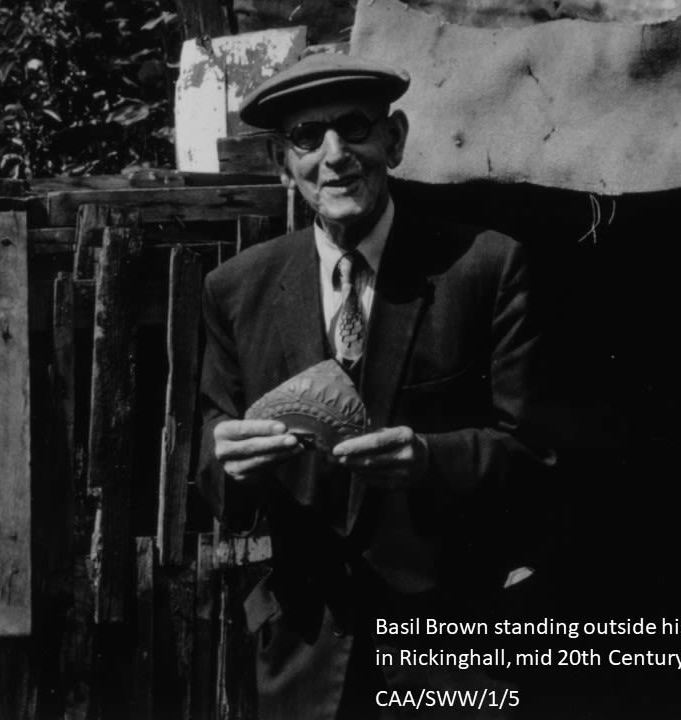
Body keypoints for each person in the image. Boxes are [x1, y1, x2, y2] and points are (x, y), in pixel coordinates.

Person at [197, 52, 552, 720]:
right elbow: (213, 481)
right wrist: (232, 462)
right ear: (283, 162)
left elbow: (534, 456)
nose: (334, 157)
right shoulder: (236, 291)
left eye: (354, 128)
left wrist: (428, 458)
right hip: (301, 648)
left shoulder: (483, 267)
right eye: (307, 137)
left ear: (393, 139)